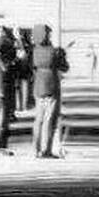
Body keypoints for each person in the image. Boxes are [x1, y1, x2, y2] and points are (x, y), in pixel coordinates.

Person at [30, 24, 67, 158]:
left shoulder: (34, 51)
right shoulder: (55, 51)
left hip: (38, 84)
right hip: (51, 84)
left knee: (38, 119)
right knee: (49, 119)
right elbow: (64, 67)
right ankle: (46, 150)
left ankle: (35, 149)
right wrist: (63, 55)